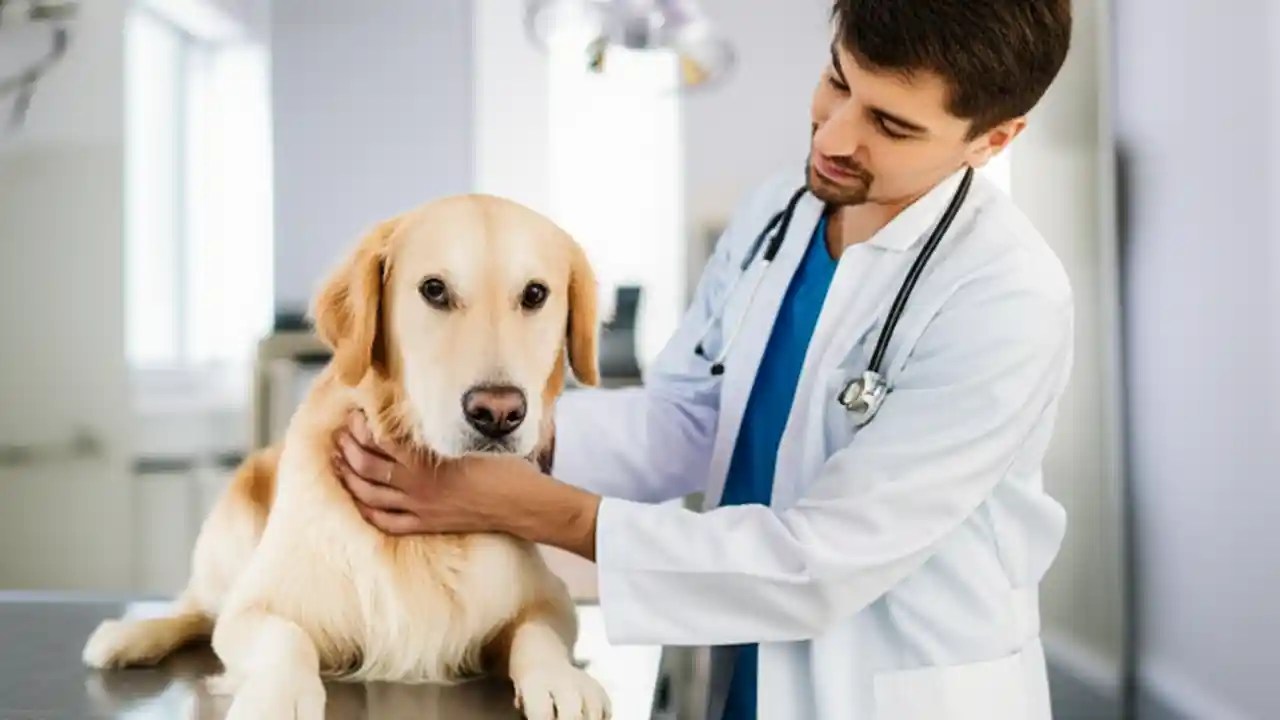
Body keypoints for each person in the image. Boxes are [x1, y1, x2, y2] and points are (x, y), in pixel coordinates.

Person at [331, 1, 1075, 717]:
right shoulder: (778, 214)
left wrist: (526, 505)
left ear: (993, 139)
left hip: (894, 687)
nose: (833, 137)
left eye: (890, 124)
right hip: (748, 670)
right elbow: (693, 414)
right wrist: (519, 434)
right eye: (839, 81)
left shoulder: (1005, 299)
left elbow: (821, 563)